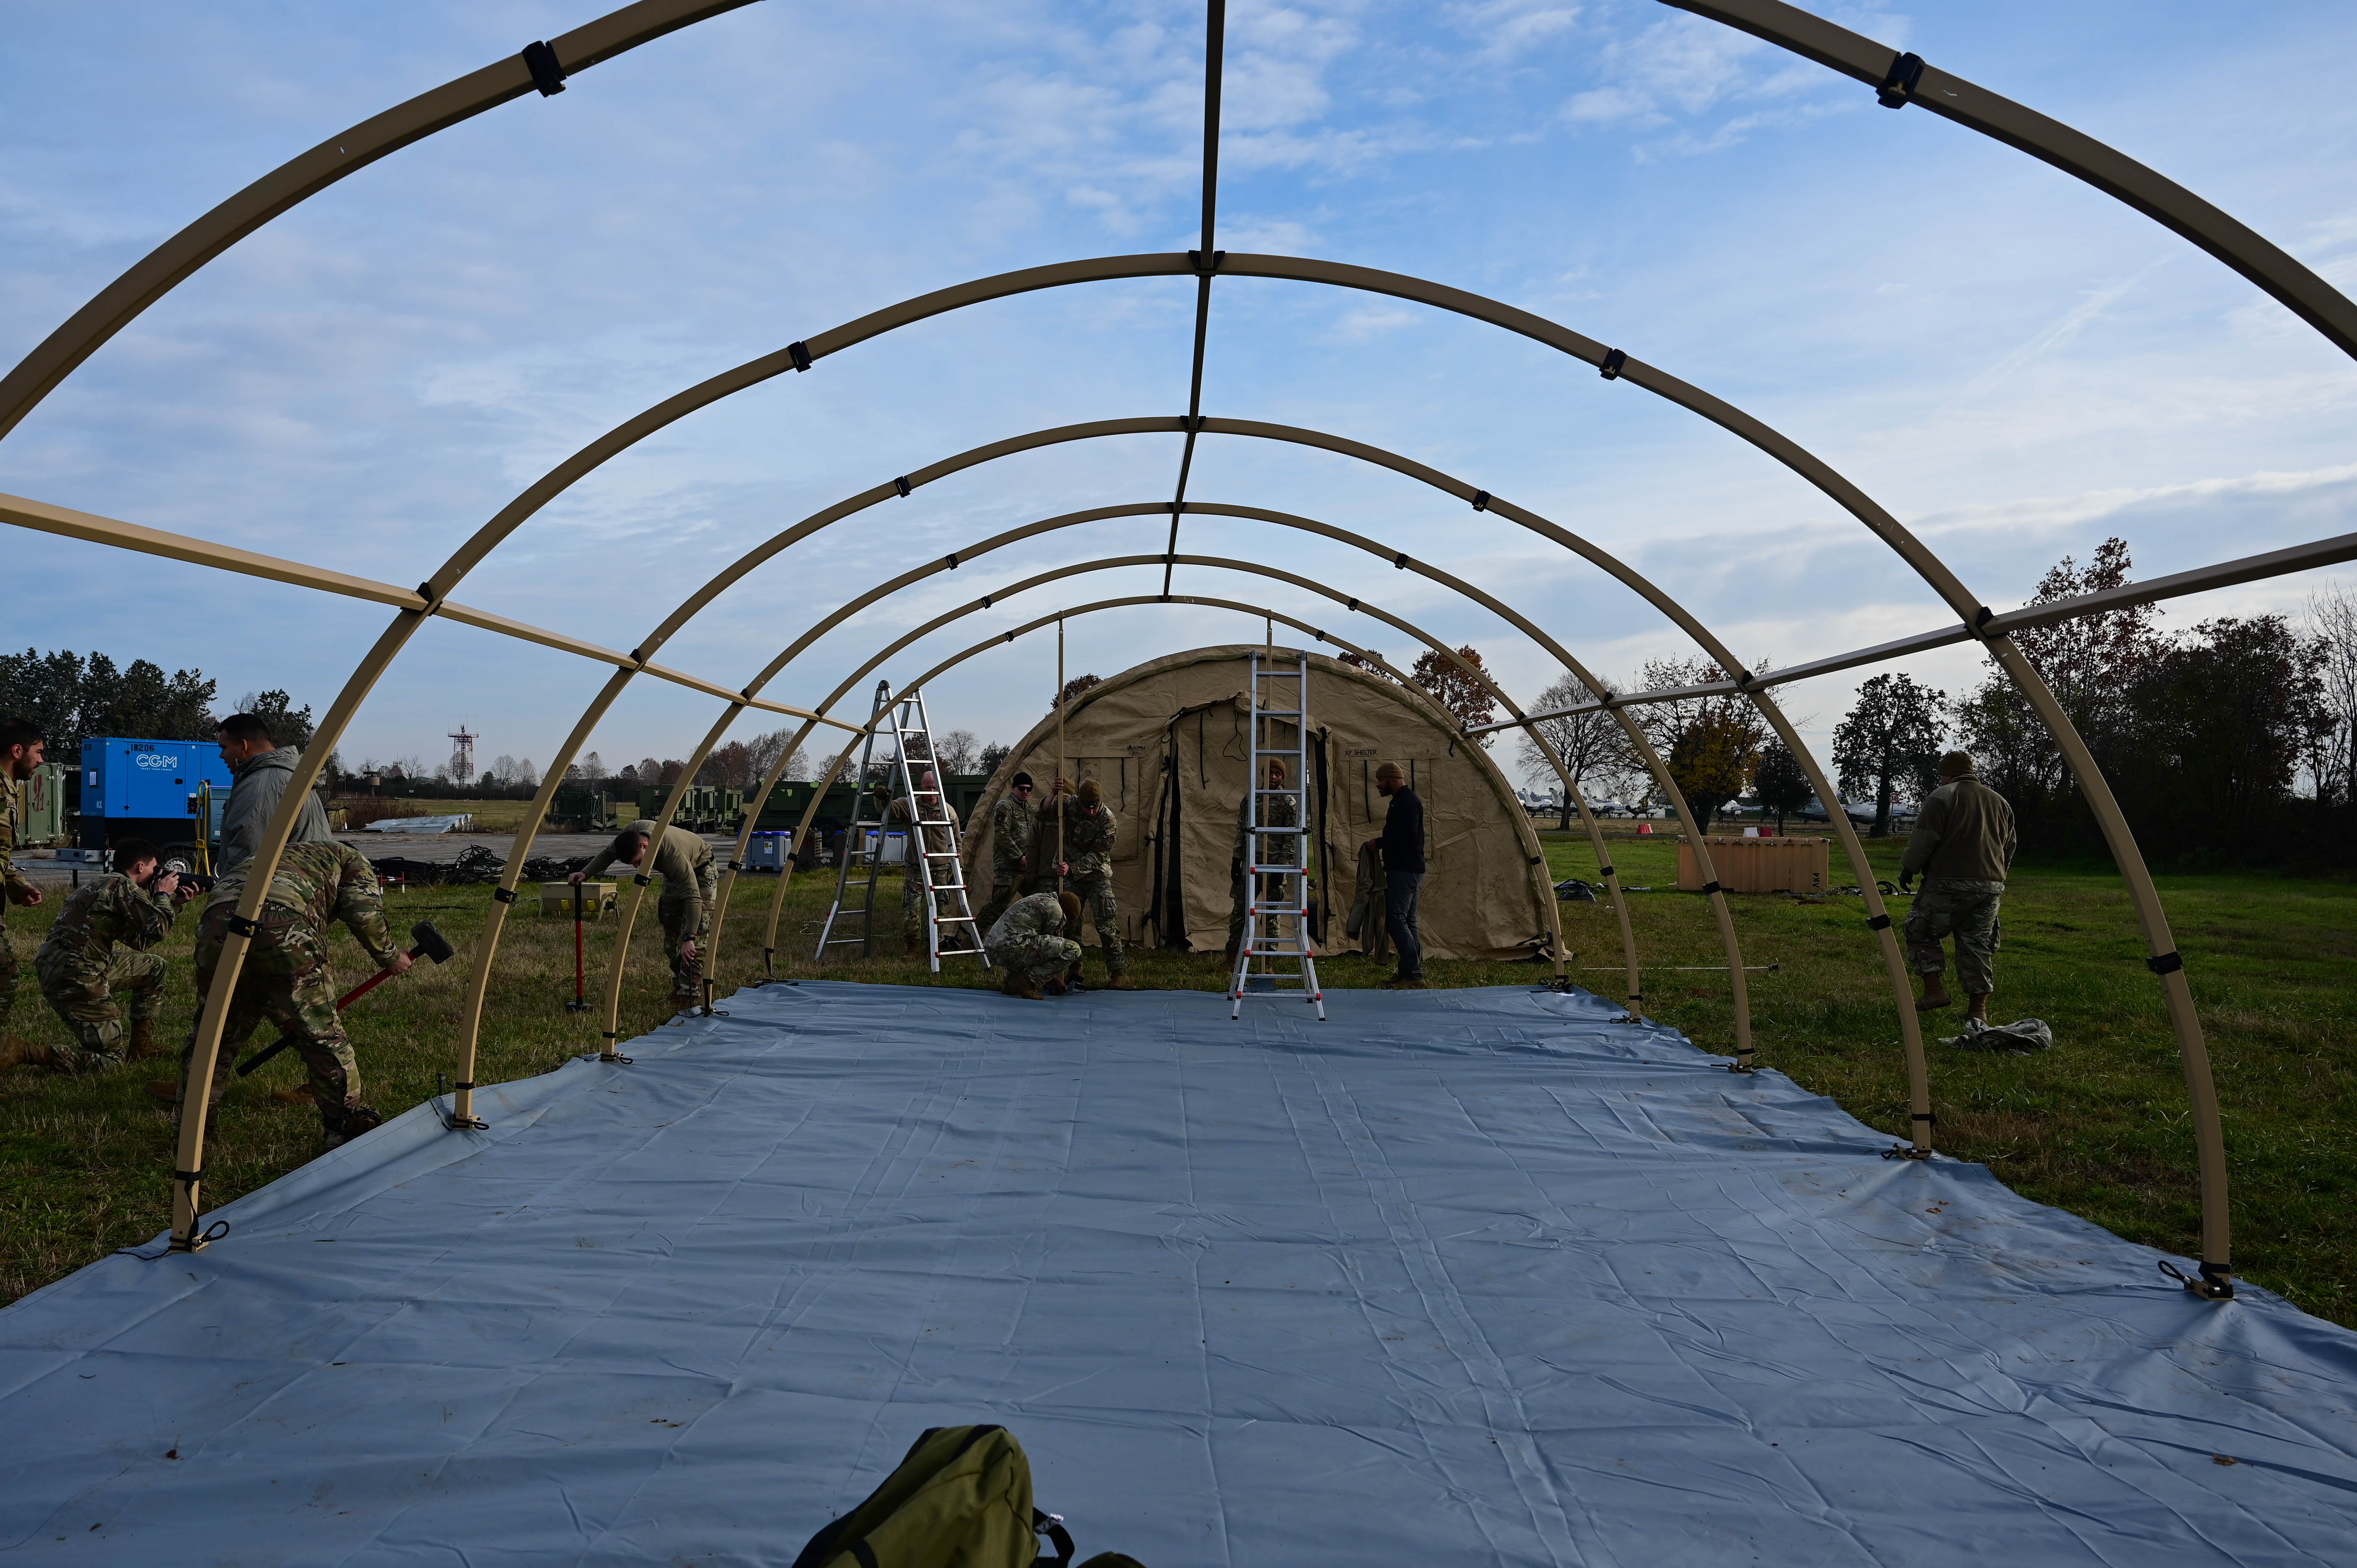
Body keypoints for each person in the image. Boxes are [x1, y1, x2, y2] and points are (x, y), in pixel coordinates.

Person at [166, 840, 409, 1146]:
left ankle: (192, 1134)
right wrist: (390, 956)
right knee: (323, 1034)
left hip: (219, 923)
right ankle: (342, 1125)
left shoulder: (275, 852)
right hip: (283, 922)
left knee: (214, 1035)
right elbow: (362, 910)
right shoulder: (352, 859)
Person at [20, 836, 190, 1073]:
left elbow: (142, 941)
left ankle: (141, 1045)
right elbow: (159, 930)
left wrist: (177, 903)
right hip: (77, 976)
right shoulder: (121, 886)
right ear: (141, 867)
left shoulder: (106, 884)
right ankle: (20, 1051)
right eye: (155, 868)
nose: (157, 875)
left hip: (64, 967)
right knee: (111, 1061)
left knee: (154, 967)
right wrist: (162, 895)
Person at [1900, 750, 2017, 1023]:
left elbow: (1924, 838)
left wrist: (1909, 867)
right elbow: (2009, 846)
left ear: (1948, 774)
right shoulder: (2000, 802)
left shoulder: (1942, 796)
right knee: (1976, 944)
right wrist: (1997, 877)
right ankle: (1978, 1009)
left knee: (1919, 929)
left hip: (1947, 882)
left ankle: (1934, 991)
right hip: (1990, 886)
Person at [573, 819, 718, 1009]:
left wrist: (689, 937)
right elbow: (608, 854)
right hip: (672, 876)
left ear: (645, 845)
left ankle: (690, 995)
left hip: (700, 869)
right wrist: (585, 873)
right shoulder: (630, 834)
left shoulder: (673, 856)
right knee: (670, 934)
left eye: (639, 862)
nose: (637, 868)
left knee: (695, 938)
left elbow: (693, 898)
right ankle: (680, 985)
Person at [214, 711, 335, 876]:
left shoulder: (262, 786)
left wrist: (226, 894)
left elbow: (248, 859)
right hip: (300, 892)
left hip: (275, 897)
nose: (222, 755)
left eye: (224, 748)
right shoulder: (294, 777)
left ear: (243, 746)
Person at [0, 717, 49, 1063]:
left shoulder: (9, 788)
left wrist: (16, 885)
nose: (42, 760)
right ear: (17, 751)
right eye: (38, 752)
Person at [1055, 776, 1130, 989]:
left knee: (1107, 926)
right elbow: (1046, 813)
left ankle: (1117, 973)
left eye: (1093, 807)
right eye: (1085, 807)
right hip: (1071, 877)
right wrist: (1054, 793)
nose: (1089, 811)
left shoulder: (1108, 821)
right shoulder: (1071, 805)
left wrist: (1073, 869)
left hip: (1097, 876)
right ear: (1079, 801)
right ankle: (1074, 968)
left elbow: (1098, 856)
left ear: (1100, 802)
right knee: (1070, 924)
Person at [885, 769, 968, 953]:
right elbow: (891, 810)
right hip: (916, 868)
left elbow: (956, 839)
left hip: (940, 869)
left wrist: (958, 861)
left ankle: (934, 945)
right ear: (921, 787)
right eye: (928, 788)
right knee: (912, 910)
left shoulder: (948, 811)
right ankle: (913, 947)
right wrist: (882, 798)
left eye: (935, 788)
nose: (931, 793)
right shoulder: (911, 805)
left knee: (939, 911)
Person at [1227, 758, 1298, 961]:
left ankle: (1268, 961)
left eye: (1278, 774)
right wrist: (1236, 859)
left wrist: (1282, 868)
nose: (1273, 777)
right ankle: (1232, 958)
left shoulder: (1288, 802)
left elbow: (1291, 839)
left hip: (1274, 866)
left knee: (1270, 916)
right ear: (1263, 775)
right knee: (1239, 913)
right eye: (1270, 773)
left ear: (1283, 777)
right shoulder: (1252, 799)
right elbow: (1242, 829)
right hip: (1250, 866)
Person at [1363, 761, 1425, 989]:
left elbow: (1407, 835)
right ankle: (1411, 971)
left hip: (1405, 871)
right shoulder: (1403, 801)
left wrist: (1378, 843)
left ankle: (1414, 974)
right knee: (1408, 921)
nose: (1378, 785)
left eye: (1380, 780)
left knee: (1395, 921)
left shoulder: (1407, 802)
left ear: (1391, 779)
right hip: (1409, 870)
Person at [986, 889, 1084, 1000]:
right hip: (1011, 950)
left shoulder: (1040, 898)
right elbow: (1047, 950)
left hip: (991, 949)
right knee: (1073, 949)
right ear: (1066, 912)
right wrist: (1050, 977)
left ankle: (1010, 983)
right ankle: (1025, 982)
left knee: (1026, 941)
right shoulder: (1057, 911)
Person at [975, 771, 1043, 932]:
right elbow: (1002, 835)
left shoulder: (1031, 811)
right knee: (998, 905)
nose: (1025, 792)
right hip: (1008, 867)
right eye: (1022, 788)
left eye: (1029, 789)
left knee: (1037, 901)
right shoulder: (1005, 807)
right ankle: (974, 937)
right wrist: (1018, 857)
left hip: (1027, 867)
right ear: (1014, 788)